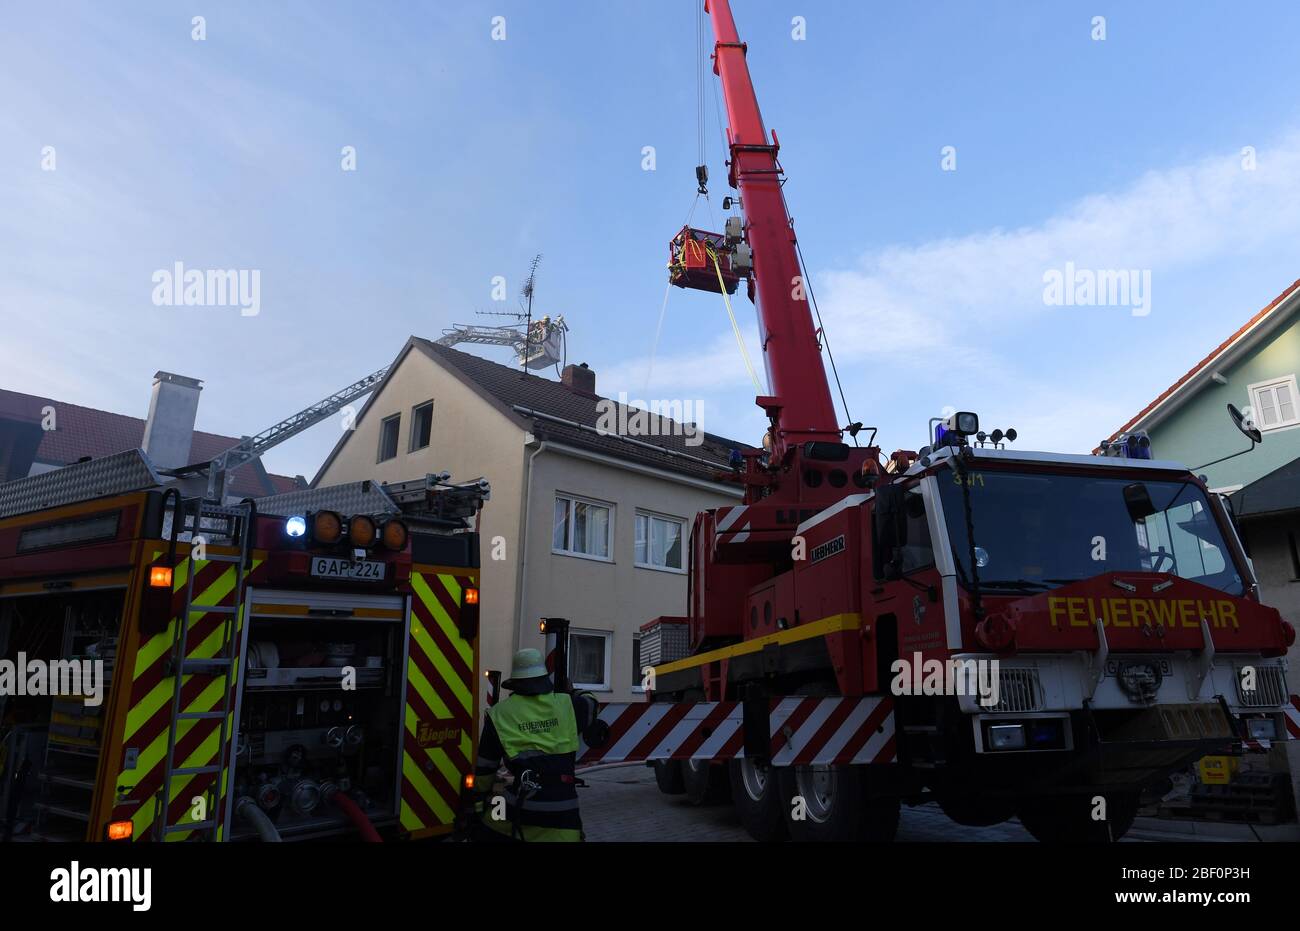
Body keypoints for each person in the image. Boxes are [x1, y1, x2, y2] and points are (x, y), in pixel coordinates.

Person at [472, 648, 598, 842]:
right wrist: (572, 690)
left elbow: (485, 767)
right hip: (564, 812)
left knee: (488, 821)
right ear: (543, 678)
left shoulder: (499, 714)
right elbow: (591, 703)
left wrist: (479, 802)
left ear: (515, 682)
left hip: (522, 806)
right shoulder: (567, 705)